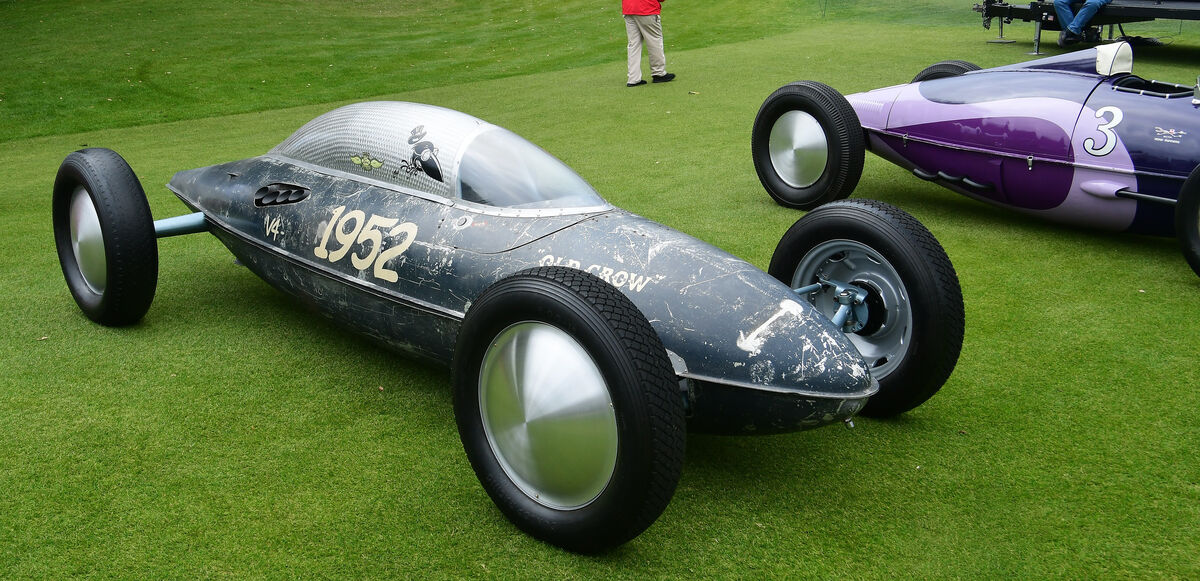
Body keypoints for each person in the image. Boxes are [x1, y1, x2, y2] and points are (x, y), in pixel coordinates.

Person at [623, 0, 675, 87]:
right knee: (654, 41)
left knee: (633, 45)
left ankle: (633, 78)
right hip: (646, 8)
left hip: (629, 8)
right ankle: (658, 73)